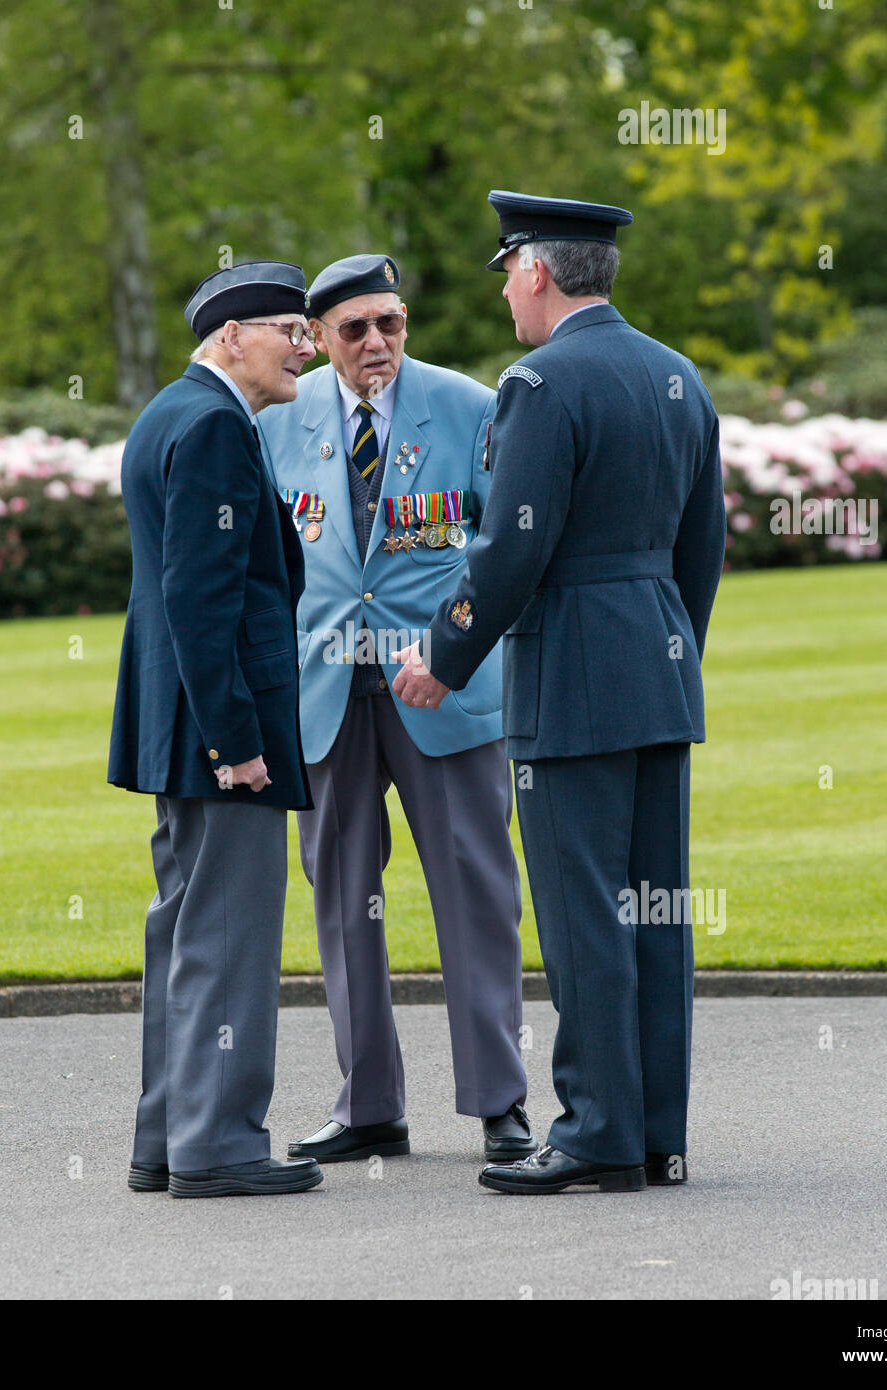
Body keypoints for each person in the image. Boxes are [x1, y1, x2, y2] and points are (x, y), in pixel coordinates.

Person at [394, 192, 726, 1194]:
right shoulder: (678, 375)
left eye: (505, 268)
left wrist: (445, 654)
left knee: (583, 914)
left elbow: (511, 546)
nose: (502, 287)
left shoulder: (538, 382)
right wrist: (669, 649)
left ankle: (593, 1134)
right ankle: (653, 1133)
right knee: (653, 911)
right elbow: (699, 548)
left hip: (573, 682)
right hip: (656, 672)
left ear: (536, 269)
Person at [256, 254, 535, 1165]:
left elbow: (503, 552)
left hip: (440, 692)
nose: (377, 343)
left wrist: (457, 653)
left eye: (391, 323)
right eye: (354, 330)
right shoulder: (279, 419)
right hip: (327, 692)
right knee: (342, 902)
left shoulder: (468, 405)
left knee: (477, 893)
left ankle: (499, 1101)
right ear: (316, 339)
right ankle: (367, 1101)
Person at [108, 260, 324, 1198]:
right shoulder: (211, 428)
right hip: (220, 734)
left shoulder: (176, 412)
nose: (307, 349)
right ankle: (219, 1146)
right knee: (227, 940)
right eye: (291, 329)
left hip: (183, 727)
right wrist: (238, 743)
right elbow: (203, 602)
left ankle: (169, 1139)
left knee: (188, 936)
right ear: (231, 336)